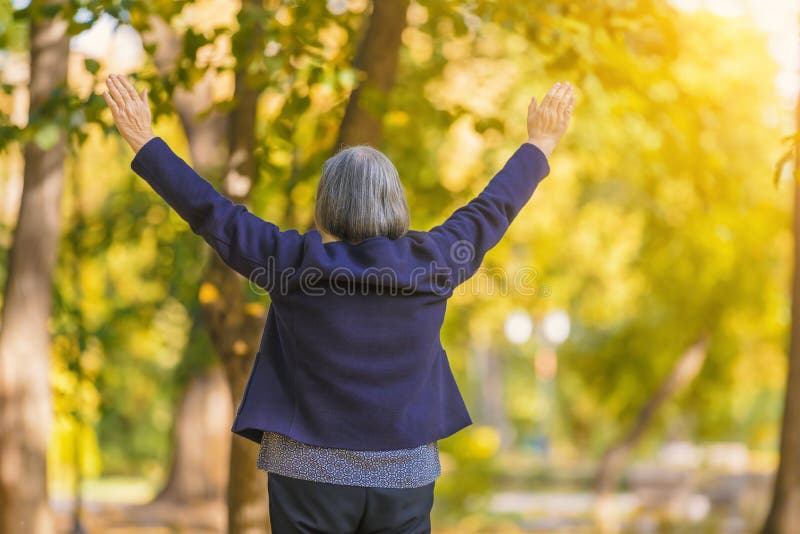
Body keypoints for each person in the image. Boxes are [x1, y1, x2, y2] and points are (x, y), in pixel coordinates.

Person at [103, 73, 574, 533]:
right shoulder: (435, 263)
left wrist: (145, 141)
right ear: (396, 204)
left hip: (308, 474)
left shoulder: (291, 263)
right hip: (404, 474)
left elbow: (213, 214)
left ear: (326, 206)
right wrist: (540, 144)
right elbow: (493, 207)